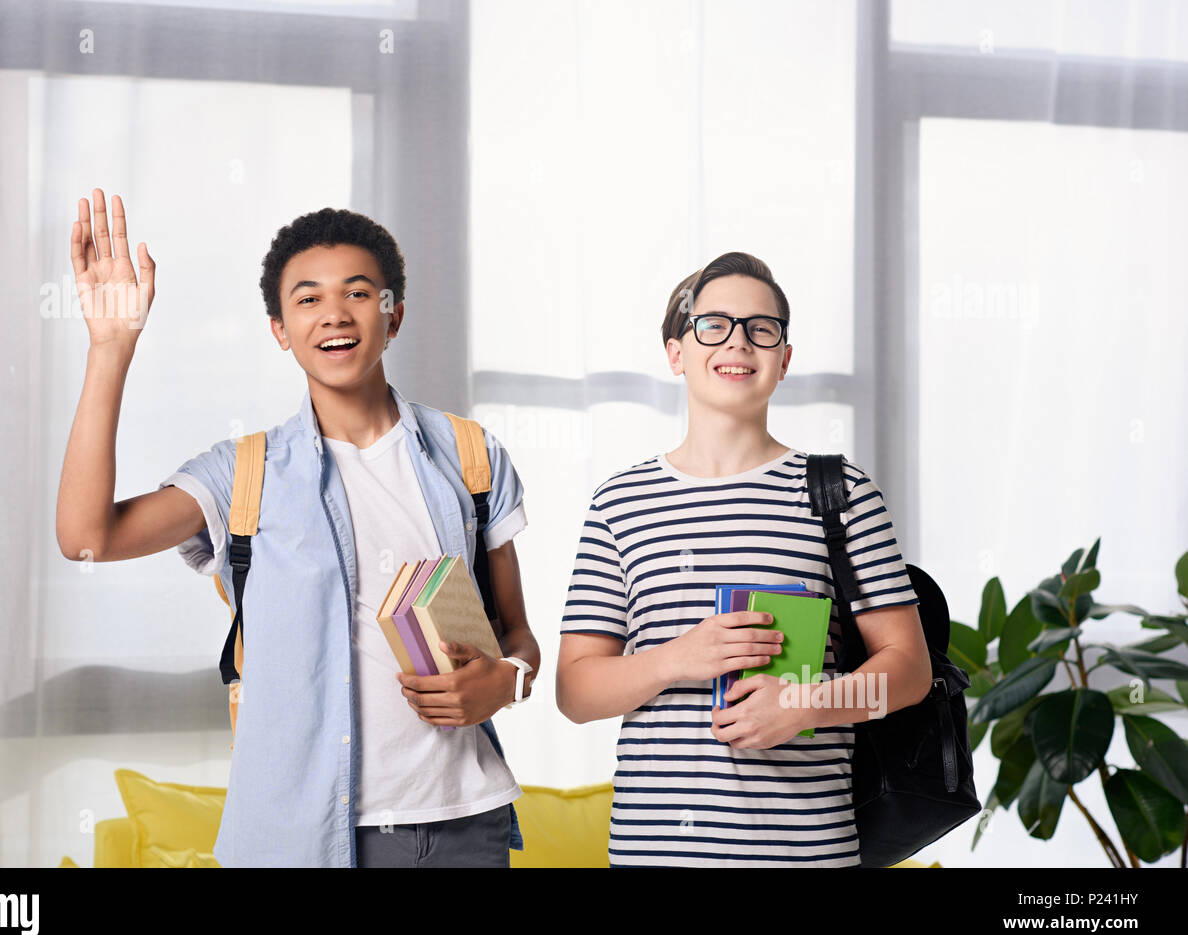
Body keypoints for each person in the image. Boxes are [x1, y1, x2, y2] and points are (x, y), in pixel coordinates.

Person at [55, 189, 539, 867]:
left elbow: (518, 636)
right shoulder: (241, 476)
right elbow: (85, 537)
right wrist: (110, 349)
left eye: (360, 293)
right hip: (297, 839)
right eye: (307, 298)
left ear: (394, 314)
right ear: (280, 328)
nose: (335, 314)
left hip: (463, 827)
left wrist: (507, 682)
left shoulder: (472, 457)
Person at [555, 252, 931, 867]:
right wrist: (680, 657)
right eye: (714, 324)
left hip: (807, 852)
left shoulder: (839, 492)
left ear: (783, 359)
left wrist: (809, 702)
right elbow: (576, 690)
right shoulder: (619, 502)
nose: (739, 341)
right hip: (654, 853)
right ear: (677, 352)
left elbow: (911, 671)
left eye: (761, 328)